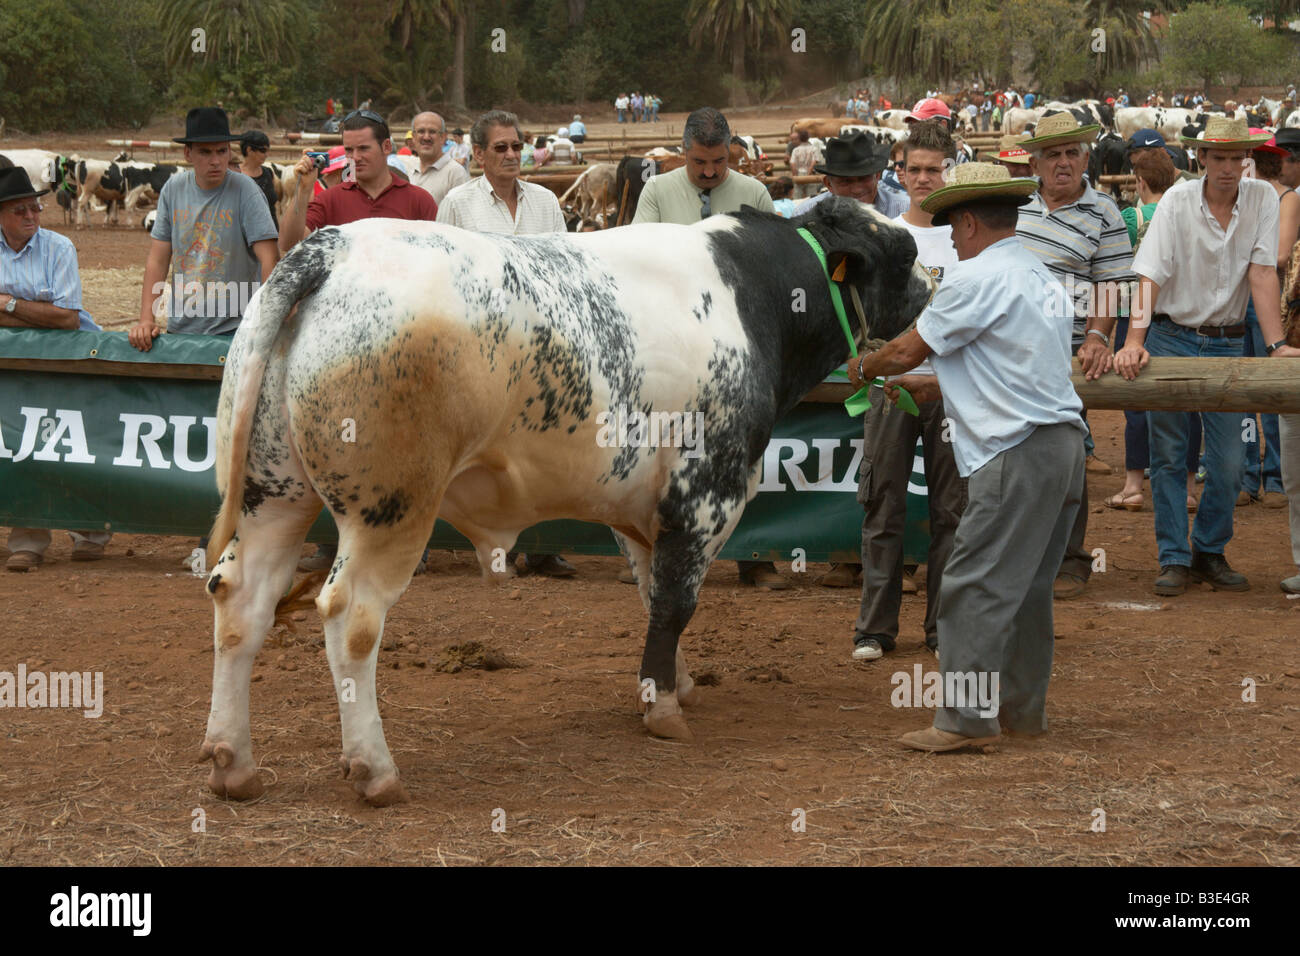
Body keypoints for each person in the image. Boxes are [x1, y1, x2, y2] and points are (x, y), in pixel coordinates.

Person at [851, 163, 1085, 751]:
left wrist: (859, 366)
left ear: (973, 223)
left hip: (1014, 452)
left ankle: (962, 720)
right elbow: (1005, 366)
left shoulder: (972, 279)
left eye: (954, 228)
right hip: (1061, 447)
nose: (951, 238)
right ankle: (1022, 712)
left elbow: (906, 350)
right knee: (1027, 589)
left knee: (972, 584)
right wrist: (932, 387)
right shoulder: (1040, 276)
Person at [1113, 116, 1300, 595]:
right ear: (1200, 159)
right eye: (1219, 158)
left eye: (1237, 158)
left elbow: (1262, 273)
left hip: (1228, 340)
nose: (1229, 167)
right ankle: (1175, 556)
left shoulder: (1261, 198)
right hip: (1171, 336)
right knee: (1170, 456)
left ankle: (1208, 549)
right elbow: (1149, 276)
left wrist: (1277, 346)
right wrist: (1134, 341)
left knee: (1231, 463)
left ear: (1247, 160)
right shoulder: (1177, 200)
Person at [631, 106, 785, 590]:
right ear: (684, 153)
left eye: (719, 161)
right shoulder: (656, 192)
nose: (711, 172)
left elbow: (771, 270)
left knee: (743, 453)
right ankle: (649, 555)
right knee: (659, 452)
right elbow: (637, 263)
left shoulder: (754, 193)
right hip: (671, 343)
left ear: (730, 151)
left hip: (738, 345)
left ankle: (750, 555)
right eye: (700, 162)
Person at [281, 108, 438, 572]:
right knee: (341, 445)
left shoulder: (420, 203)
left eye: (362, 148)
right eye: (347, 150)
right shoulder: (330, 201)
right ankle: (337, 543)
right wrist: (303, 191)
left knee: (407, 443)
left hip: (404, 341)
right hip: (340, 342)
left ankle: (411, 543)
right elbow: (292, 245)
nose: (353, 157)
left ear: (388, 148)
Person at [849, 121, 968, 663]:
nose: (923, 179)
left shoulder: (969, 235)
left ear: (951, 171)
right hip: (891, 388)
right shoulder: (881, 234)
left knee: (952, 511)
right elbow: (860, 310)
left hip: (953, 388)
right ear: (899, 170)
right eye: (914, 169)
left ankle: (944, 626)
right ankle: (874, 629)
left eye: (934, 169)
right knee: (882, 505)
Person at [437, 110, 573, 578]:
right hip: (484, 347)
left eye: (517, 146)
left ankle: (545, 547)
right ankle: (498, 551)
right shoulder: (456, 204)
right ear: (477, 154)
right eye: (501, 148)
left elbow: (563, 271)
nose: (512, 154)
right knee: (496, 452)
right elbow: (447, 277)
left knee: (545, 447)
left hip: (541, 344)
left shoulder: (546, 202)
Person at [1015, 111, 1133, 600]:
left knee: (1065, 456)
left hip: (1064, 356)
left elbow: (1112, 284)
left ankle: (1070, 559)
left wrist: (1098, 337)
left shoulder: (1103, 210)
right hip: (1005, 355)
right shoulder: (1013, 205)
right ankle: (1016, 558)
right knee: (1007, 458)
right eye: (1053, 155)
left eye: (1072, 153)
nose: (1063, 163)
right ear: (1036, 162)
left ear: (1087, 157)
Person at [0, 167, 111, 570]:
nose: (31, 216)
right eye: (20, 211)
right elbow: (54, 313)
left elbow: (67, 318)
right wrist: (37, 314)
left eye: (35, 207)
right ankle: (28, 539)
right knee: (23, 444)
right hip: (16, 366)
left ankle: (90, 531)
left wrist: (8, 304)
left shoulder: (58, 247)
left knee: (79, 443)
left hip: (71, 360)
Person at [1104, 149, 1203, 514]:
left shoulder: (1132, 217)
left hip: (1134, 315)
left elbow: (1117, 266)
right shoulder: (1186, 215)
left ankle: (1133, 485)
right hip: (1175, 317)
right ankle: (1190, 487)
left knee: (1135, 404)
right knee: (1187, 404)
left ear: (1141, 182)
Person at [132, 107, 278, 351]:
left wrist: (264, 322)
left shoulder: (247, 192)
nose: (216, 160)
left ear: (230, 151)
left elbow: (269, 259)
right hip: (182, 326)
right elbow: (158, 260)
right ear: (188, 153)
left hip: (235, 330)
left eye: (222, 151)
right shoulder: (173, 189)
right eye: (205, 152)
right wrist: (147, 319)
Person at [1238, 131, 1299, 509]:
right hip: (1241, 301)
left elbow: (1278, 255)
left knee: (1271, 389)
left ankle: (1273, 474)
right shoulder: (1245, 199)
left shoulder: (1287, 199)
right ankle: (1248, 474)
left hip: (1271, 302)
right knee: (1242, 390)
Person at [792, 131, 909, 220]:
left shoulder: (904, 211)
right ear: (828, 184)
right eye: (845, 181)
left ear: (877, 176)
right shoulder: (805, 216)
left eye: (864, 178)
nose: (857, 189)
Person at [407, 111, 469, 205]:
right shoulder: (408, 170)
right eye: (421, 131)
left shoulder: (455, 173)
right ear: (413, 137)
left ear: (443, 137)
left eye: (432, 132)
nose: (426, 137)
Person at [238, 129, 278, 228]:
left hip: (272, 233)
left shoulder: (269, 173)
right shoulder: (234, 175)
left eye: (267, 150)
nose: (266, 155)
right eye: (263, 150)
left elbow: (275, 205)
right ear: (249, 150)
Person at [788, 129, 820, 199]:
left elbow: (792, 163)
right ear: (808, 138)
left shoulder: (796, 150)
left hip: (799, 174)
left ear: (799, 138)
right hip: (810, 175)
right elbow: (814, 161)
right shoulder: (813, 149)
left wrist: (795, 175)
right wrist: (809, 172)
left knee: (797, 196)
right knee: (811, 196)